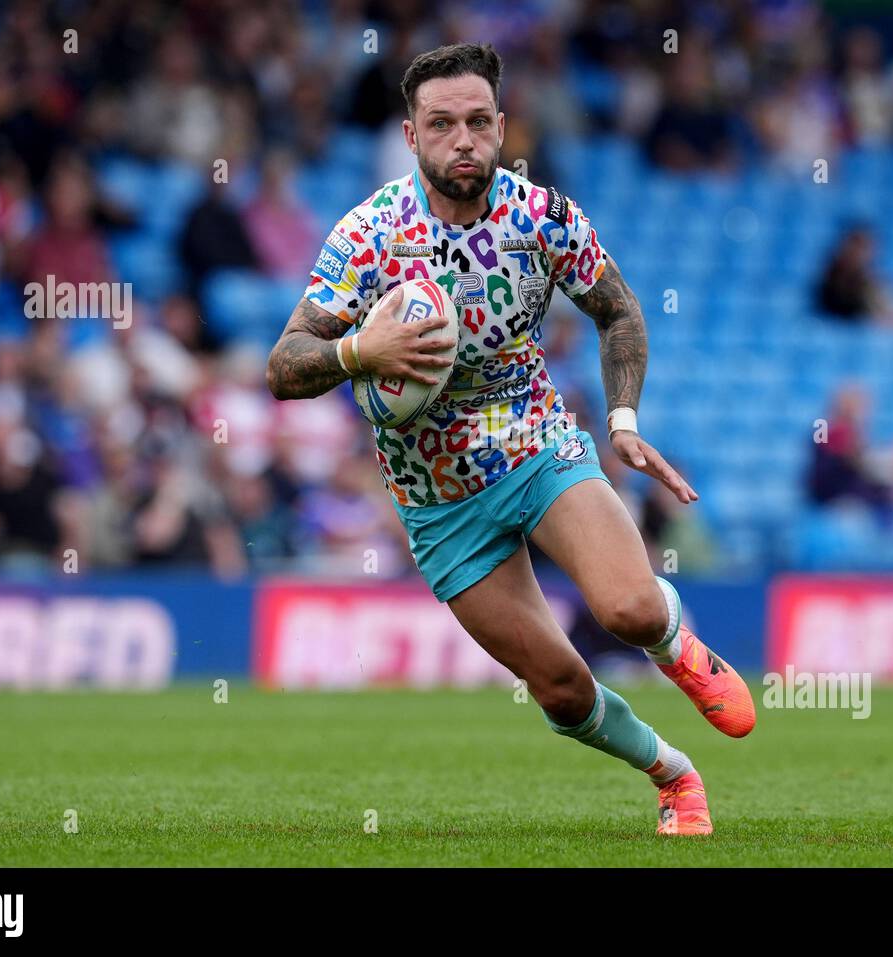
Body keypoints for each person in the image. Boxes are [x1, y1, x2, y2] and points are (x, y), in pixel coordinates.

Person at [266, 43, 755, 836]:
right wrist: (362, 351)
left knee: (628, 608)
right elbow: (284, 367)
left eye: (476, 122)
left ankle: (674, 643)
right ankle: (674, 774)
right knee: (561, 686)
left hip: (537, 446)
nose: (462, 140)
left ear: (500, 125)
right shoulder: (369, 234)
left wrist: (623, 422)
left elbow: (619, 310)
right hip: (439, 504)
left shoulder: (542, 216)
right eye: (441, 124)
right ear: (410, 135)